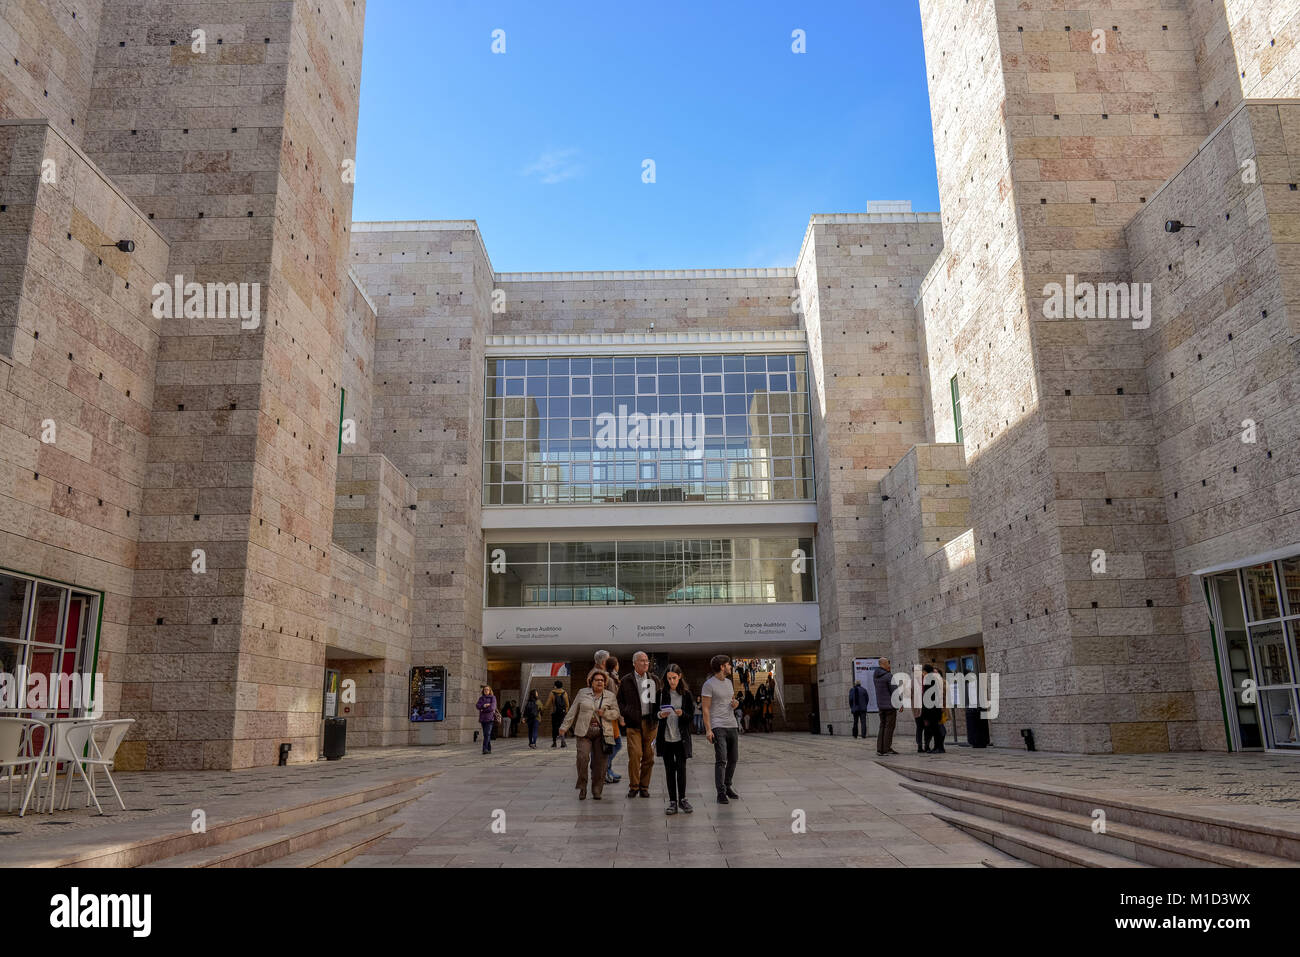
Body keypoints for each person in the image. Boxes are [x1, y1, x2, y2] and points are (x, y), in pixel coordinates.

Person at [557, 668, 621, 800]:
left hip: (602, 734)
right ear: (591, 682)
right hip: (584, 732)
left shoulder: (610, 696)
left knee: (600, 763)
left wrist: (605, 713)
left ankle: (597, 789)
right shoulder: (582, 693)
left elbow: (616, 713)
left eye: (602, 680)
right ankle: (582, 786)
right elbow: (572, 711)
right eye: (597, 680)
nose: (600, 682)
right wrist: (564, 726)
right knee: (582, 758)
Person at [617, 651, 661, 798]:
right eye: (642, 661)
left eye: (647, 661)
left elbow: (660, 699)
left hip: (651, 724)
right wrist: (626, 712)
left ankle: (644, 787)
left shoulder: (654, 679)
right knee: (635, 755)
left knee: (649, 757)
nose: (645, 663)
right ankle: (634, 786)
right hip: (633, 724)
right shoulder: (626, 680)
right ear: (634, 663)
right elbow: (620, 701)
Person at [701, 654, 741, 804]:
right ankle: (721, 793)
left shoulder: (729, 683)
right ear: (722, 667)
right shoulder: (709, 684)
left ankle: (728, 785)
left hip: (732, 724)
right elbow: (705, 708)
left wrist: (735, 703)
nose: (731, 666)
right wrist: (708, 730)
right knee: (721, 759)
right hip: (718, 725)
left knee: (734, 759)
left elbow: (730, 700)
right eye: (728, 664)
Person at [656, 664, 695, 814]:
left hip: (681, 738)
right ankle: (672, 801)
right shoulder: (660, 693)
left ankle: (683, 799)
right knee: (669, 770)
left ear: (680, 677)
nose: (671, 681)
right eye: (669, 678)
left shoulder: (686, 694)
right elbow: (654, 714)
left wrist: (682, 714)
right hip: (665, 738)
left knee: (681, 769)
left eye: (674, 678)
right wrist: (660, 715)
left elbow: (691, 717)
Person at [604, 655, 624, 786]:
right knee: (617, 744)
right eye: (617, 663)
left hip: (612, 716)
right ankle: (604, 768)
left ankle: (608, 770)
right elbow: (613, 700)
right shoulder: (610, 679)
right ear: (614, 665)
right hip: (611, 717)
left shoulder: (613, 677)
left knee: (613, 745)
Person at [873, 658, 899, 756]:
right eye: (888, 663)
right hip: (890, 706)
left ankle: (880, 749)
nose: (889, 665)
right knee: (889, 727)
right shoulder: (888, 676)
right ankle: (886, 748)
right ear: (883, 664)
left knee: (882, 726)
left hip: (881, 705)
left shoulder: (875, 676)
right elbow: (894, 691)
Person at [921, 664, 948, 754]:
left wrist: (926, 711)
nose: (922, 673)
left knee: (936, 729)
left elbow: (929, 697)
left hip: (932, 709)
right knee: (934, 729)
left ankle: (939, 748)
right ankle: (937, 747)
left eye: (923, 671)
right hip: (934, 709)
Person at [476, 684, 498, 755]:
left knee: (487, 734)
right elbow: (477, 705)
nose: (486, 691)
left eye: (487, 689)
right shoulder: (481, 698)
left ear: (490, 691)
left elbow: (492, 707)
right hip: (483, 719)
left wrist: (483, 709)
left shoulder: (493, 698)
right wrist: (484, 706)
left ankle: (484, 749)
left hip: (490, 719)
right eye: (485, 689)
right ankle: (489, 748)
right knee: (486, 734)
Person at [549, 681, 569, 748]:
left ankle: (554, 743)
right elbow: (567, 704)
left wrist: (543, 708)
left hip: (554, 713)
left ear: (555, 686)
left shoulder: (552, 693)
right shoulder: (565, 693)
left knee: (554, 727)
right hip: (562, 713)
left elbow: (548, 702)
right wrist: (566, 712)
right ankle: (563, 741)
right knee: (562, 727)